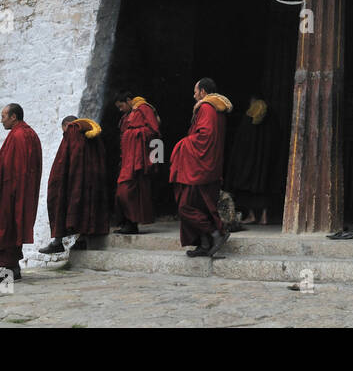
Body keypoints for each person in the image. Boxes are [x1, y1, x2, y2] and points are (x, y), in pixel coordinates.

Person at [170, 78, 233, 257]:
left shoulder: (206, 108)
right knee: (201, 206)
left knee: (185, 206)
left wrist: (183, 144)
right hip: (209, 166)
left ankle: (216, 233)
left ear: (203, 92)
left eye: (196, 91)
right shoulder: (217, 111)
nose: (194, 95)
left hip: (199, 167)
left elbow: (205, 137)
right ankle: (204, 245)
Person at [0, 103, 44, 283]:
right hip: (17, 190)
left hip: (11, 192)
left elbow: (13, 169)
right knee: (8, 230)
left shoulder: (19, 136)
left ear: (14, 117)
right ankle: (8, 268)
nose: (1, 121)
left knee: (6, 228)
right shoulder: (26, 134)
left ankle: (11, 269)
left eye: (3, 117)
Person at [39, 116, 109, 254]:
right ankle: (81, 239)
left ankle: (57, 242)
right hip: (91, 178)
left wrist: (61, 177)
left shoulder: (73, 130)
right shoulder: (91, 132)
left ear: (67, 125)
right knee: (85, 207)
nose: (64, 135)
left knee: (59, 200)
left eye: (63, 132)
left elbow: (67, 158)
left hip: (74, 178)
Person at [225, 95, 279, 225]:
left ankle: (252, 215)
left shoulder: (248, 118)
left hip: (249, 163)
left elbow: (241, 142)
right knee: (265, 186)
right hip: (265, 163)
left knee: (247, 188)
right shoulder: (270, 118)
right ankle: (264, 217)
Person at [113, 91, 160, 234]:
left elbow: (154, 131)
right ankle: (127, 222)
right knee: (123, 192)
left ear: (128, 100)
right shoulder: (127, 116)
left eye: (121, 106)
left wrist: (133, 134)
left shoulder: (144, 109)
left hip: (139, 159)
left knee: (128, 191)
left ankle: (132, 224)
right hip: (128, 160)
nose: (120, 110)